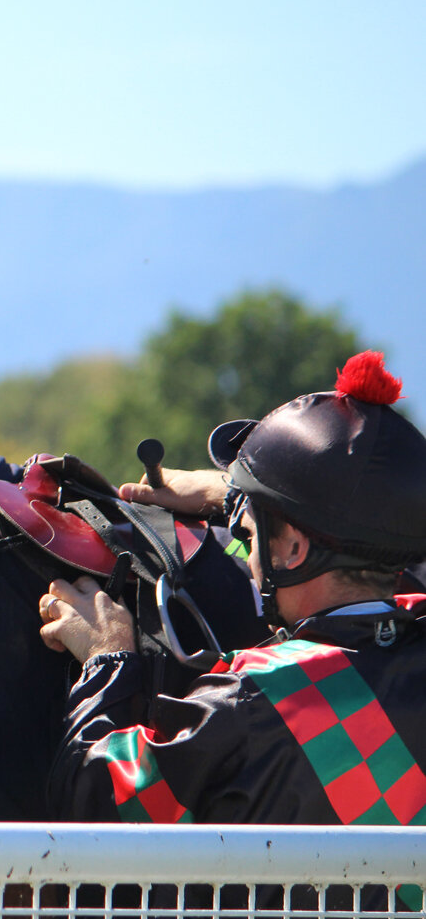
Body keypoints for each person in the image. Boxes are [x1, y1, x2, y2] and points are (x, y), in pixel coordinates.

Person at [37, 350, 426, 831]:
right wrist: (233, 497)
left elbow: (94, 800)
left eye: (249, 535)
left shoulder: (246, 705)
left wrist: (109, 659)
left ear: (296, 550)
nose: (246, 550)